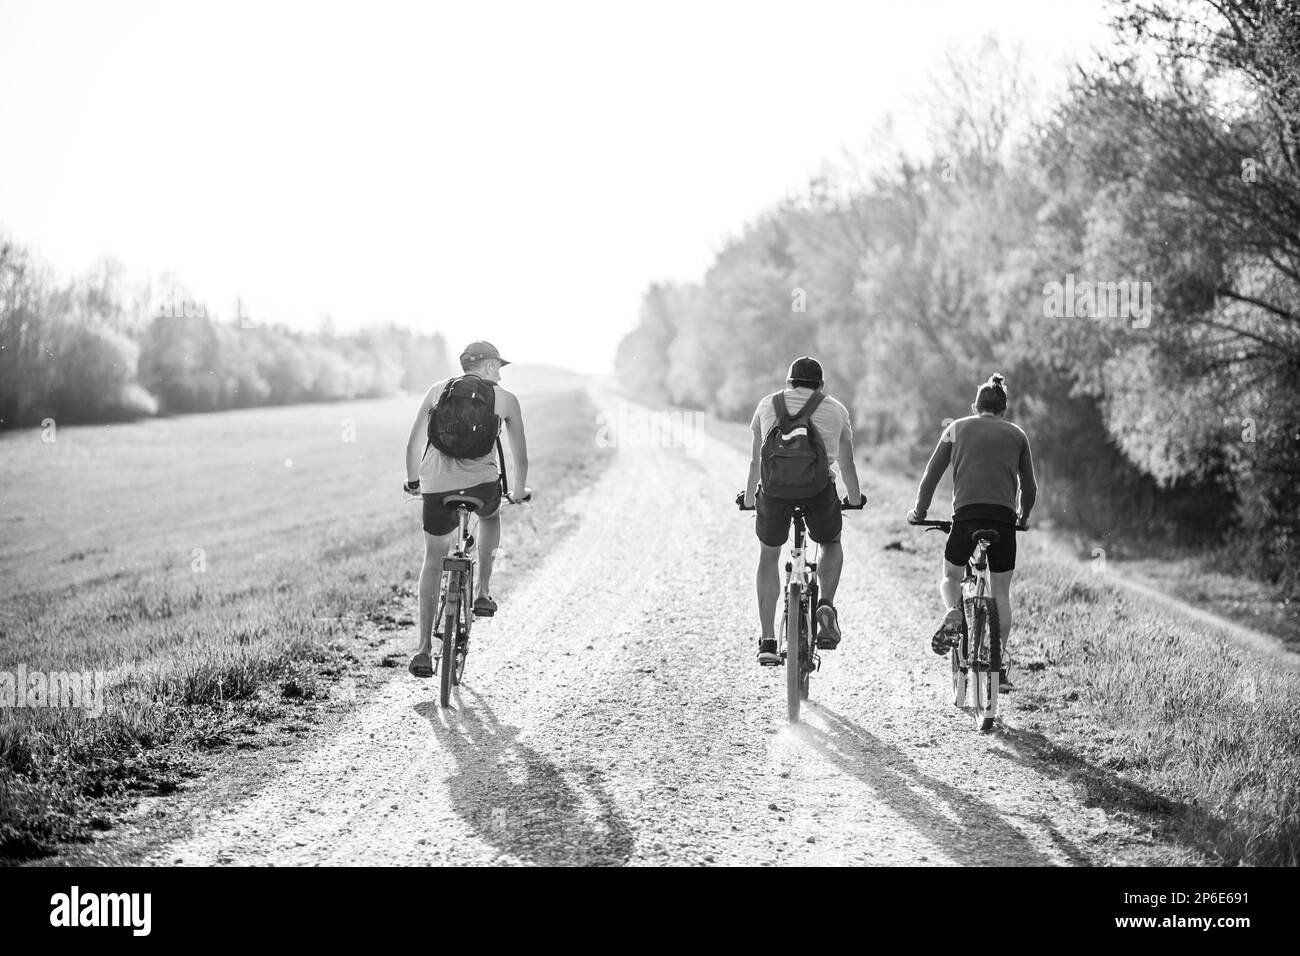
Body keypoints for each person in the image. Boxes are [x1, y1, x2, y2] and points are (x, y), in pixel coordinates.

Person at [403, 341, 529, 678]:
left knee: (433, 558)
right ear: (488, 367)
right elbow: (520, 457)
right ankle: (483, 592)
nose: (500, 373)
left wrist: (414, 482)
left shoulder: (437, 391)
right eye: (499, 367)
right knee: (490, 515)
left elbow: (414, 443)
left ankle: (424, 650)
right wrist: (517, 492)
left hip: (436, 486)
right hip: (482, 486)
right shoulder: (505, 399)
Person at [907, 373, 1036, 691]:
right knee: (1001, 594)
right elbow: (1028, 487)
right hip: (1004, 522)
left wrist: (919, 513)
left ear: (976, 406)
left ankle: (955, 612)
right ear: (1003, 409)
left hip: (966, 519)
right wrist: (1023, 516)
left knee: (951, 576)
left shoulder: (955, 428)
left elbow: (930, 477)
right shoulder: (1017, 435)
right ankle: (998, 666)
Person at [744, 356, 864, 666]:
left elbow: (757, 460)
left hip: (773, 493)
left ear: (789, 383)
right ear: (821, 386)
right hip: (818, 491)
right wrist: (855, 497)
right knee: (830, 542)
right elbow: (848, 464)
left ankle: (768, 640)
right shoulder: (836, 409)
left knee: (769, 555)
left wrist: (748, 497)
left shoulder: (767, 405)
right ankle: (825, 604)